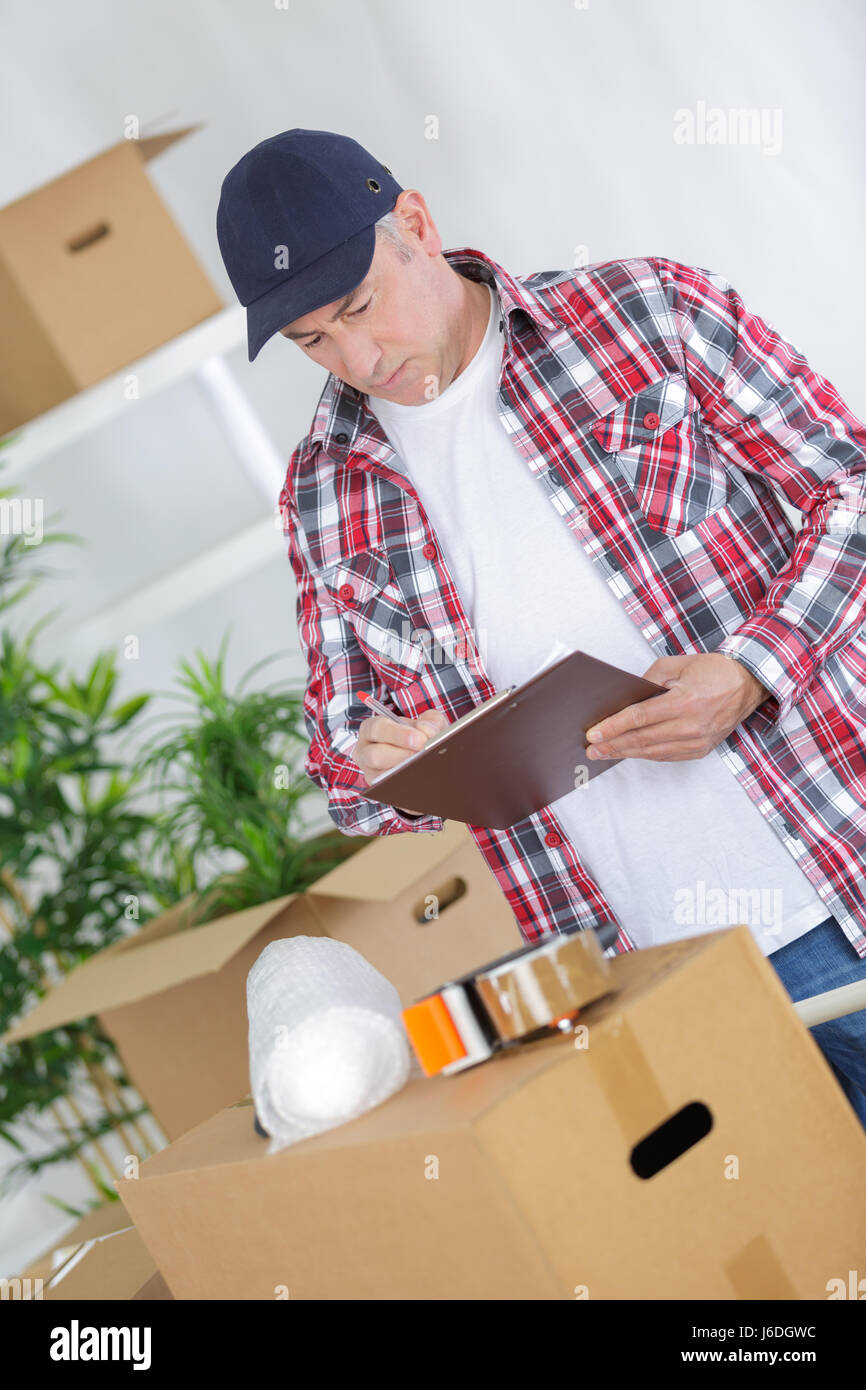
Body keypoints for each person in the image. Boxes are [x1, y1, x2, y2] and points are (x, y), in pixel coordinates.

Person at [217, 128, 866, 1128]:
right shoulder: (320, 491)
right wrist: (376, 757)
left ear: (418, 226)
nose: (357, 357)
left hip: (837, 873)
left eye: (356, 308)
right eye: (312, 341)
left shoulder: (645, 313)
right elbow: (341, 758)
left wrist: (750, 670)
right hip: (650, 978)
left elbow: (849, 491)